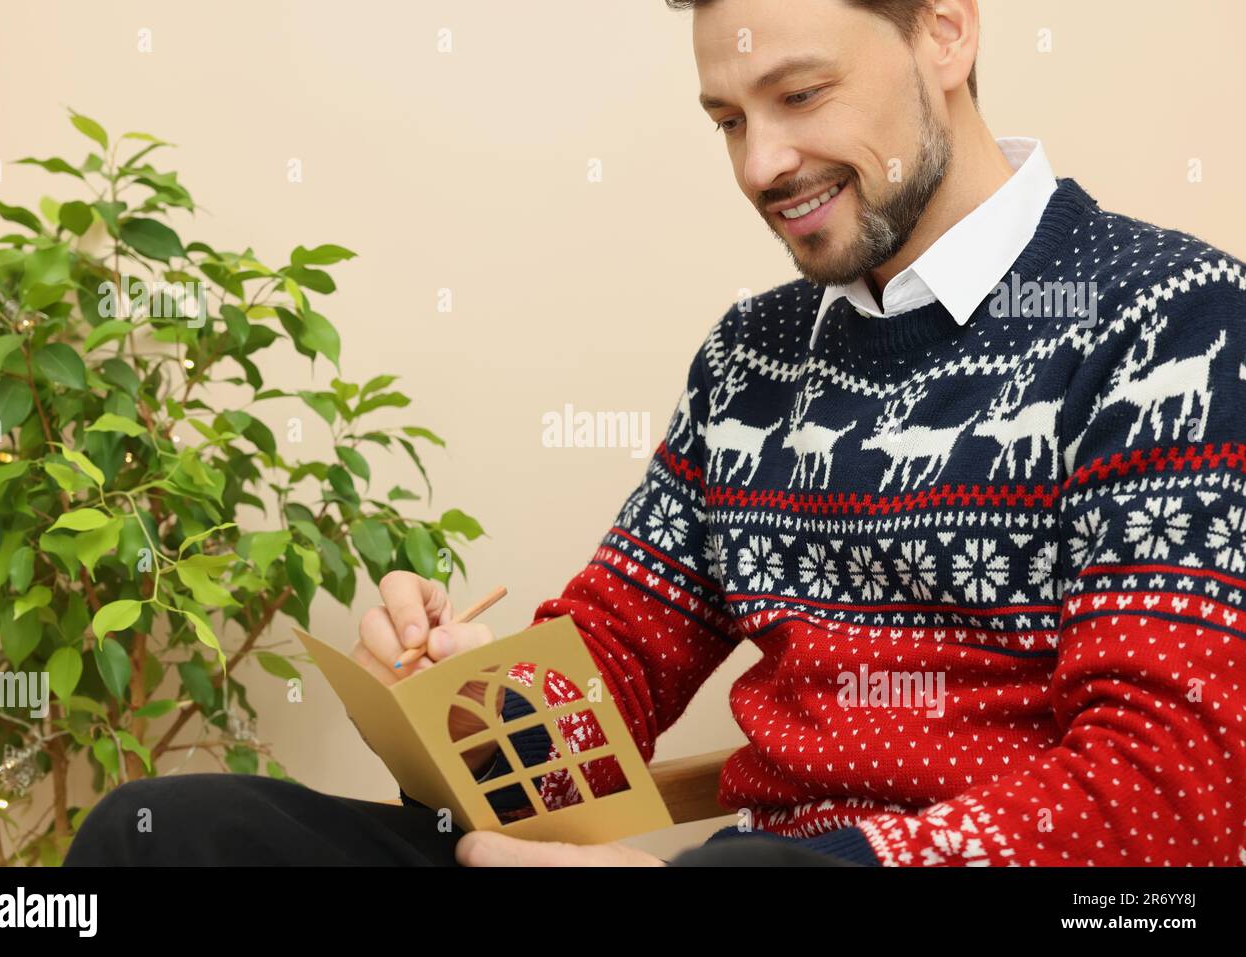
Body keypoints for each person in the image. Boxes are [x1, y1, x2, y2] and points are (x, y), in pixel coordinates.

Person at [67, 0, 1246, 867]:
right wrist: (462, 702)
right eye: (727, 118)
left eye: (799, 96)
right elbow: (613, 659)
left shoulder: (1170, 321)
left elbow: (1170, 793)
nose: (761, 164)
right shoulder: (755, 354)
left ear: (945, 32)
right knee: (169, 840)